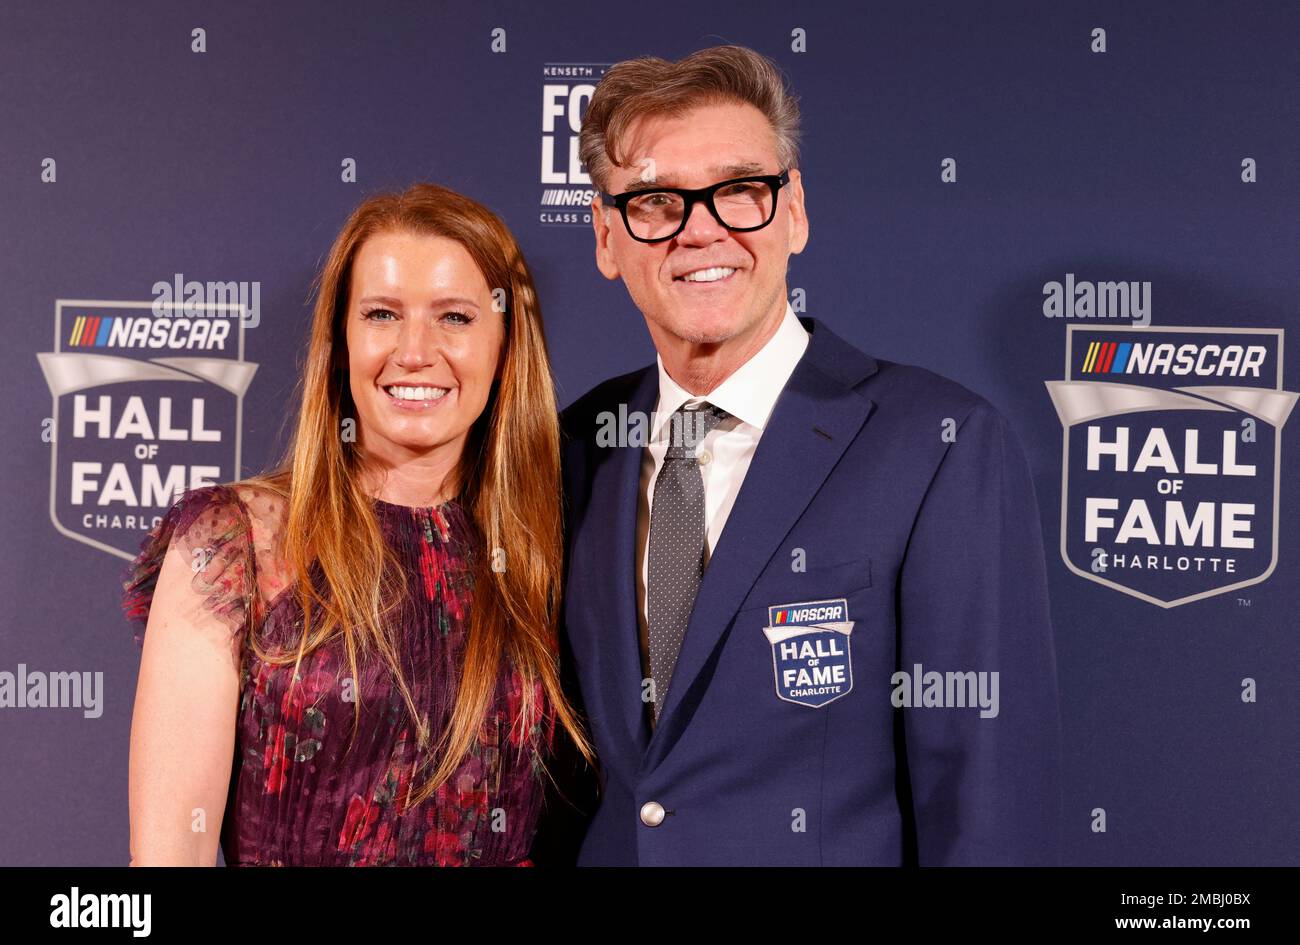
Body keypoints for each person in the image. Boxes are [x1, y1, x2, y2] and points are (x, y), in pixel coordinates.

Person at [559, 45, 1062, 865]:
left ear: (793, 211)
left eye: (739, 192)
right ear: (607, 236)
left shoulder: (938, 444)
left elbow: (986, 802)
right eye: (655, 201)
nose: (701, 229)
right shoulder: (574, 446)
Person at [122, 183, 591, 866]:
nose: (414, 351)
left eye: (455, 318)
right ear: (341, 341)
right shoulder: (236, 540)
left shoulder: (551, 547)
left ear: (505, 345)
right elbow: (172, 852)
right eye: (382, 314)